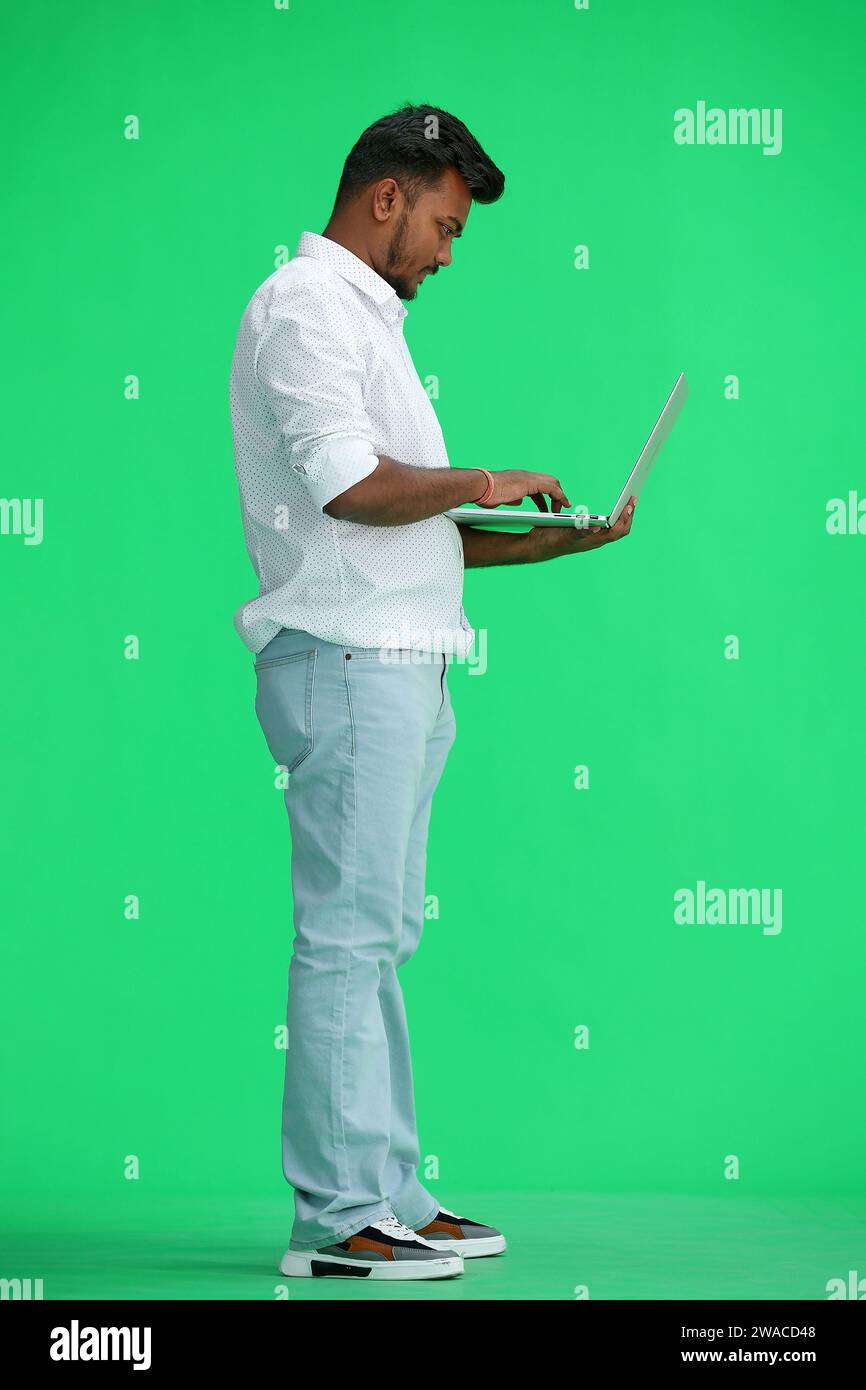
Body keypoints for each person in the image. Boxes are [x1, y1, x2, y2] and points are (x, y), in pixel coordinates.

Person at [229, 102, 637, 1282]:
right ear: (387, 198)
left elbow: (412, 534)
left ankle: (389, 1190)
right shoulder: (305, 307)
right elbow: (352, 488)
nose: (448, 254)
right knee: (346, 939)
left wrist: (544, 540)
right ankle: (334, 1219)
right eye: (446, 228)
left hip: (398, 658)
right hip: (348, 662)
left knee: (380, 938)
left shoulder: (364, 316)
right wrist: (487, 472)